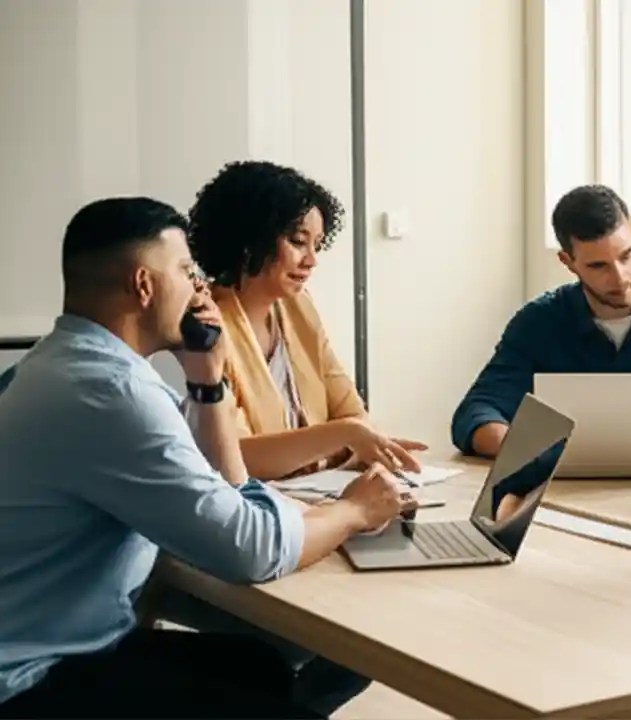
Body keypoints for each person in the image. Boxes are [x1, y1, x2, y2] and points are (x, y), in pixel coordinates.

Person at [0, 198, 414, 718]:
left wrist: (206, 377)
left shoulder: (69, 363)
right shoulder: (107, 391)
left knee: (256, 665)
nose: (199, 287)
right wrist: (353, 512)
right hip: (32, 677)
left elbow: (219, 479)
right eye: (185, 271)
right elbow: (248, 550)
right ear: (144, 286)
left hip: (61, 643)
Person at [452, 184, 631, 518]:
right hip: (567, 500)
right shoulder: (539, 322)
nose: (619, 277)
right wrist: (528, 453)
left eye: (626, 256)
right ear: (568, 262)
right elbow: (477, 412)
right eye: (598, 266)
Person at [187, 160, 427, 482]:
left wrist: (352, 438)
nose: (311, 261)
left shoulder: (299, 308)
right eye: (298, 242)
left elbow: (352, 413)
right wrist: (344, 437)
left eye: (317, 245)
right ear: (250, 240)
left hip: (317, 497)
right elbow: (239, 454)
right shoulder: (207, 326)